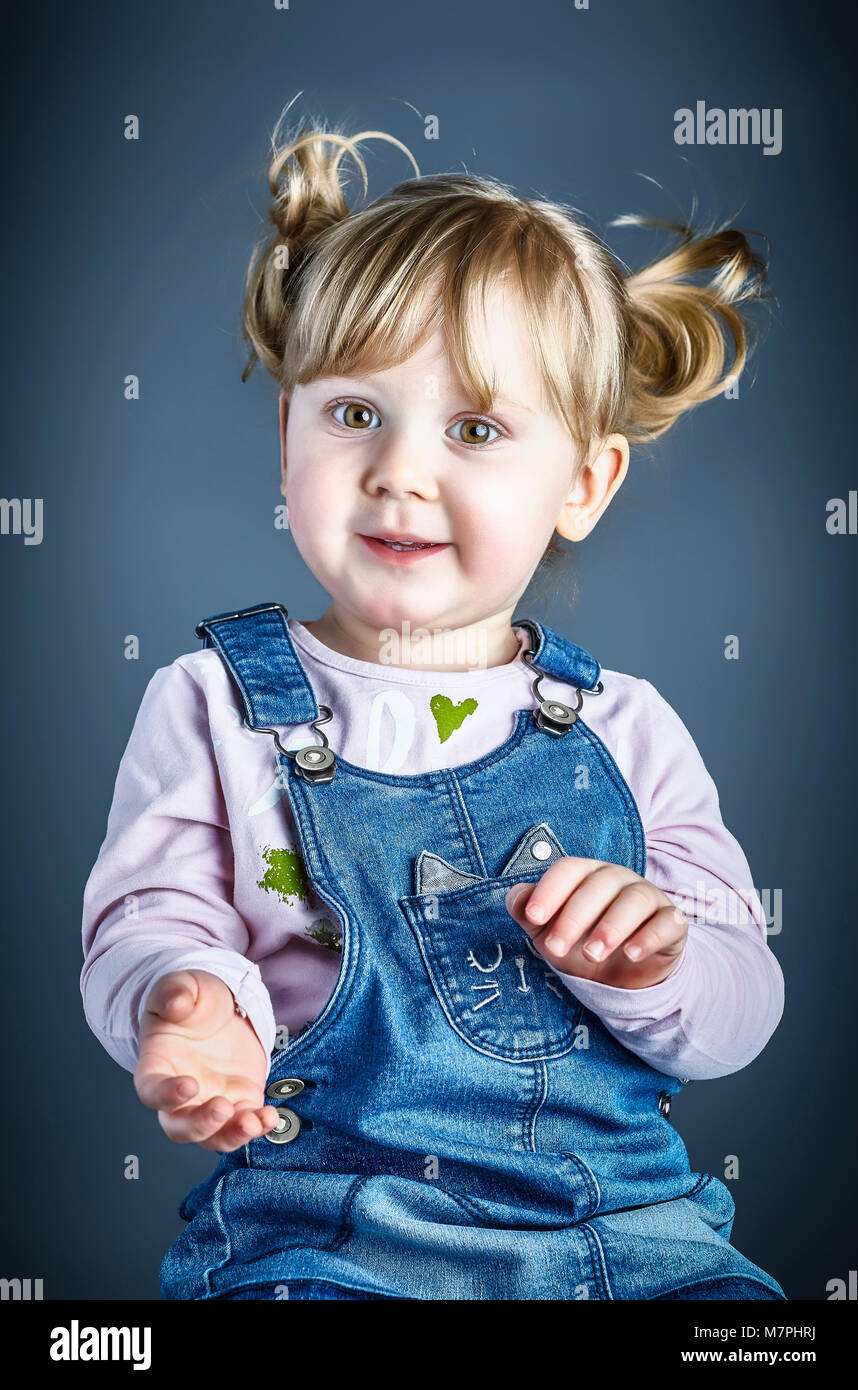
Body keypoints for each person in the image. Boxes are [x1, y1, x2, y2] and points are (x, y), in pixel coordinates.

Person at [81, 109, 786, 1301]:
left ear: (582, 481)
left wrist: (659, 957)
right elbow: (145, 915)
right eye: (354, 412)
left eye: (472, 428)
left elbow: (737, 1008)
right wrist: (185, 995)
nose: (400, 468)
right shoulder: (211, 701)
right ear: (288, 432)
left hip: (637, 1248)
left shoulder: (626, 725)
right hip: (327, 1247)